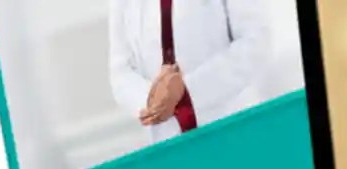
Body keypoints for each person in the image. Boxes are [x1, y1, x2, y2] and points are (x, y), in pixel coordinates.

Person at [109, 0, 271, 144]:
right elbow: (121, 71)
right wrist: (153, 101)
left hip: (233, 130)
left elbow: (255, 42)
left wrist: (186, 91)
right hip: (168, 144)